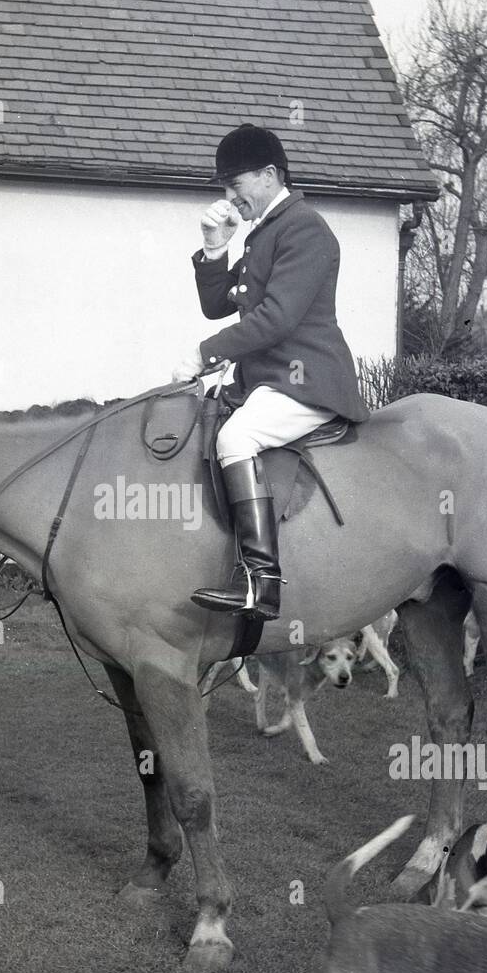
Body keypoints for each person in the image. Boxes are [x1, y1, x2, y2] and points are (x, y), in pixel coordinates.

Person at [177, 124, 367, 621]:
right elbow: (219, 305)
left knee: (234, 440)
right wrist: (215, 248)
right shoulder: (263, 231)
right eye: (224, 187)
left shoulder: (304, 228)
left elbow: (277, 318)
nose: (229, 196)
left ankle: (261, 583)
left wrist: (205, 354)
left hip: (306, 381)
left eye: (234, 184)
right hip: (267, 380)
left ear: (268, 174)